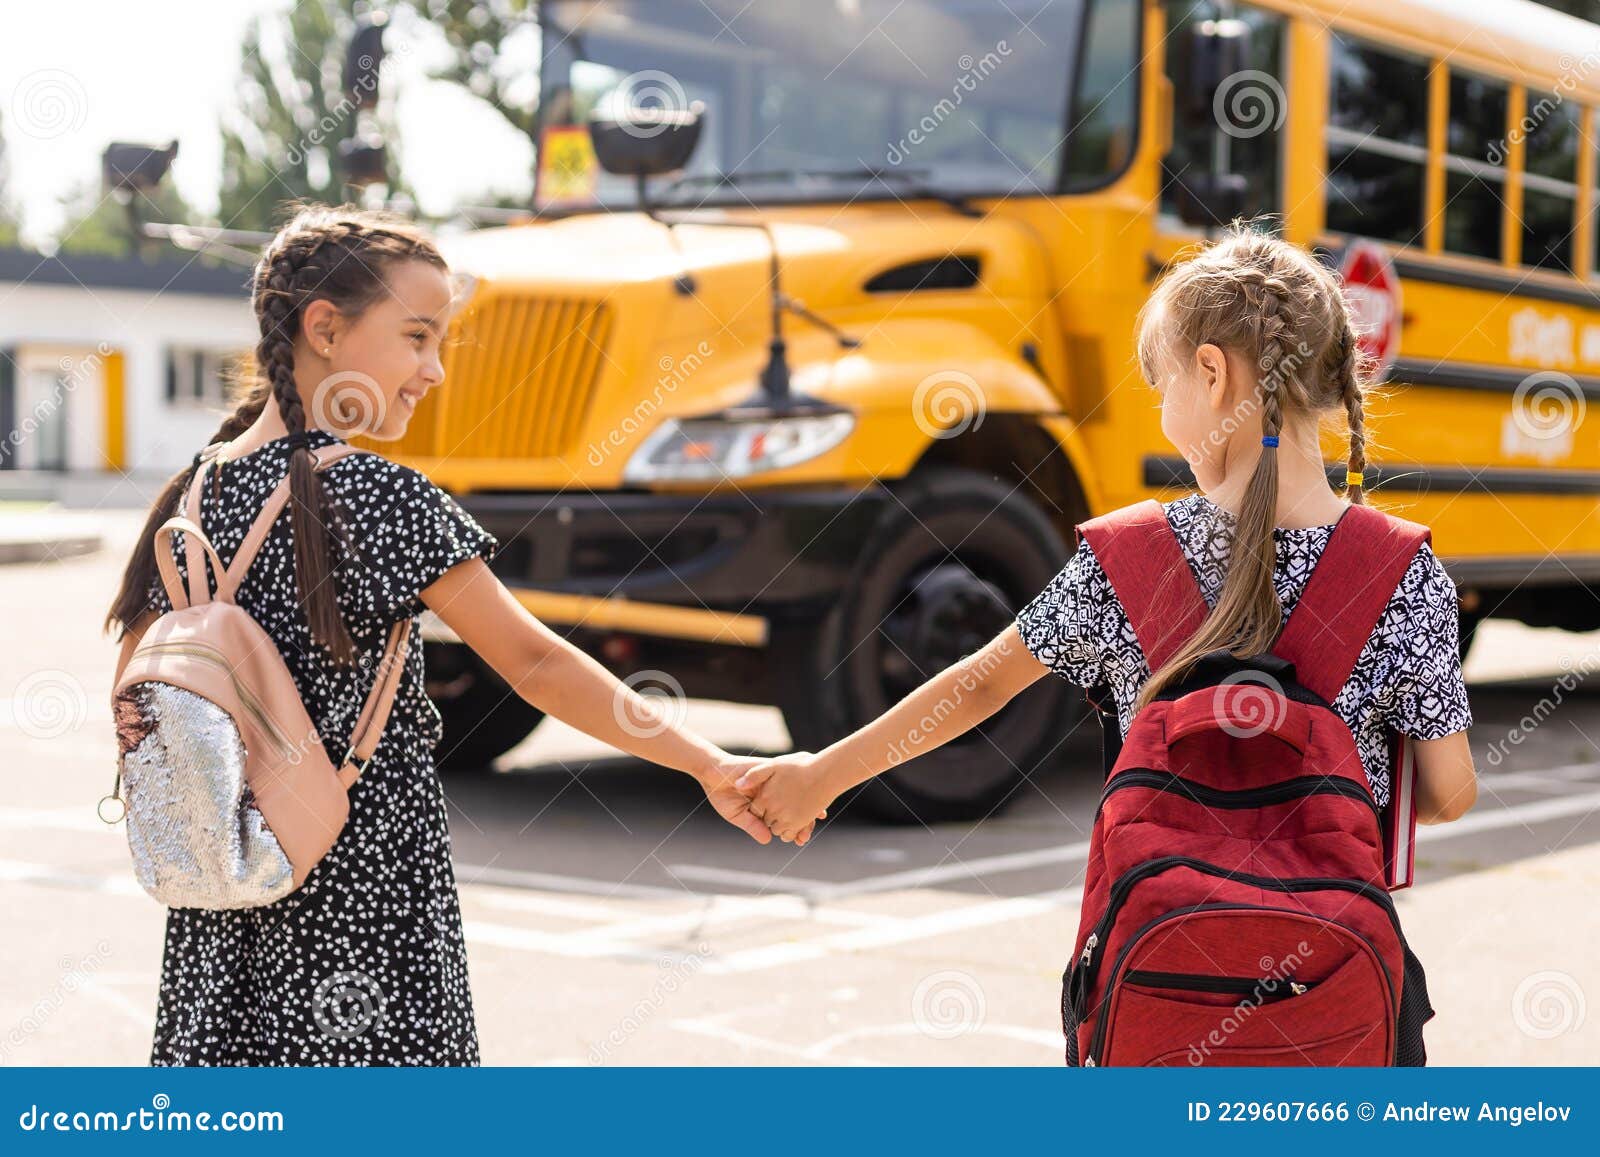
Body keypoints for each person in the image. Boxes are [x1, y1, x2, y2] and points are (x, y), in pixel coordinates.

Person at [105, 202, 818, 1066]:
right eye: (416, 338)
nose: (435, 370)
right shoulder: (380, 497)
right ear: (324, 328)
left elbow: (143, 694)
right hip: (359, 896)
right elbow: (538, 662)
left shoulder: (188, 492)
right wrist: (708, 762)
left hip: (227, 887)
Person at [735, 223, 1477, 849]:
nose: (1163, 409)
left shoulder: (1127, 560)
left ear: (1212, 375)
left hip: (1153, 982)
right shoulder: (1403, 571)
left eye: (1163, 386)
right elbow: (1448, 792)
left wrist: (818, 777)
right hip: (1329, 992)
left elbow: (979, 686)